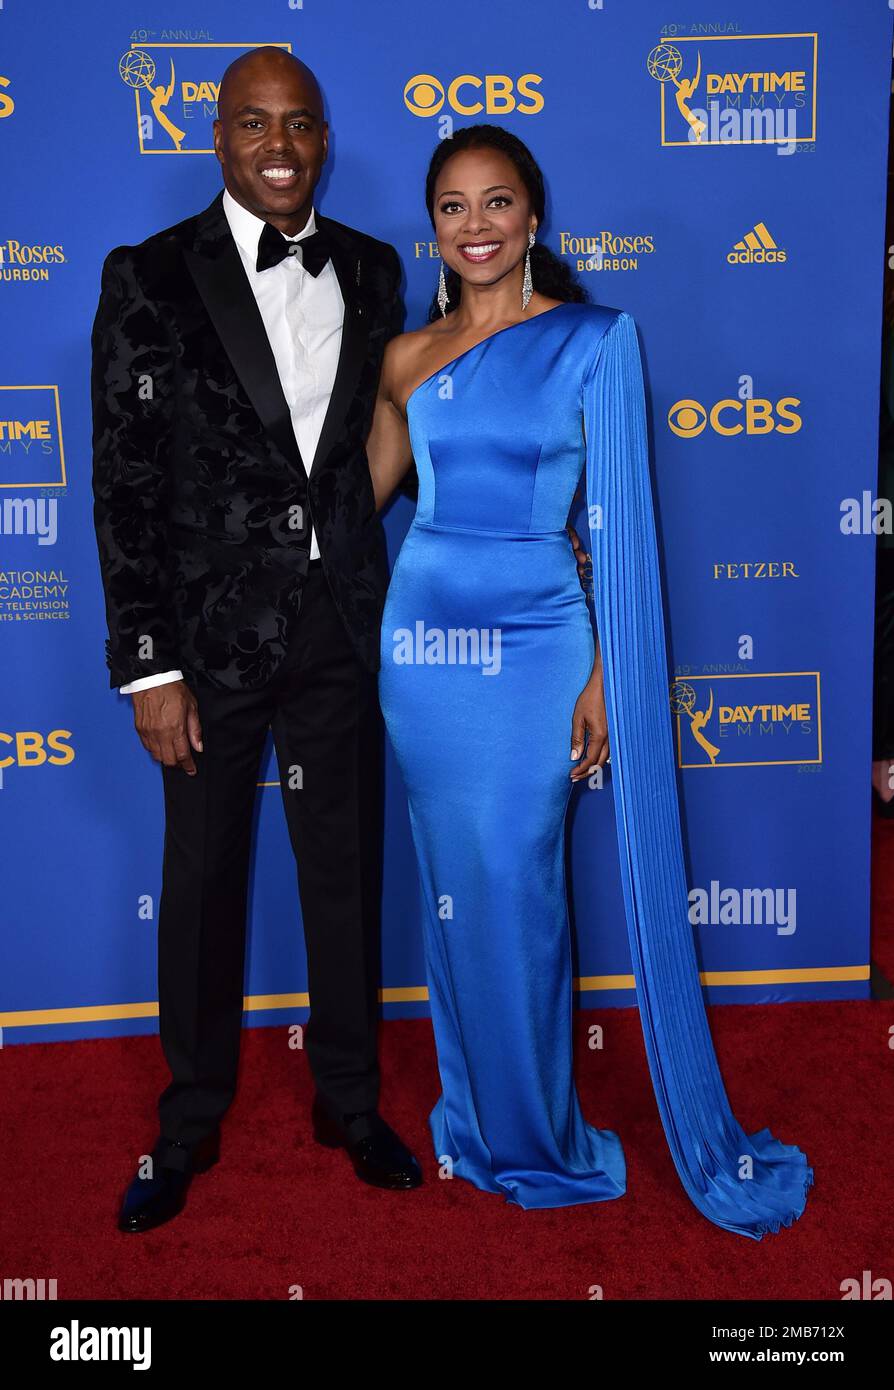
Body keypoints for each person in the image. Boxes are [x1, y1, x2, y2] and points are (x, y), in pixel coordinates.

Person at [366, 124, 814, 1239]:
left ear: (533, 217)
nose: (476, 224)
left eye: (497, 201)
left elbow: (618, 527)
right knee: (454, 885)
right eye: (454, 206)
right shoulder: (405, 358)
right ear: (434, 227)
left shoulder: (596, 339)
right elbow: (353, 499)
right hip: (423, 648)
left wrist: (612, 671)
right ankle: (477, 1122)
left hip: (538, 646)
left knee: (519, 887)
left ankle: (542, 1139)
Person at [91, 46, 422, 1234]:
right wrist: (150, 664)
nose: (279, 146)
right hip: (205, 641)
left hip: (338, 628)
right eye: (253, 123)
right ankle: (187, 1124)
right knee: (201, 882)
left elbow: (382, 434)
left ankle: (350, 1101)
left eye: (300, 124)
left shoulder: (376, 269)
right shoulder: (148, 274)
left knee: (345, 871)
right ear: (219, 135)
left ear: (325, 138)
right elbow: (124, 482)